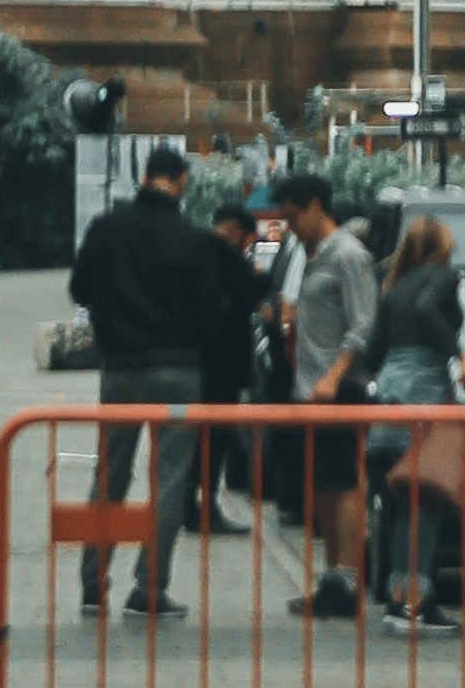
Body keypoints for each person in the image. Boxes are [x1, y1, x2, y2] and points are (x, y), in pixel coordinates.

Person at [67, 142, 237, 620]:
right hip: (179, 371)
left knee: (110, 472)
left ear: (144, 176)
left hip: (120, 370)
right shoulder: (196, 241)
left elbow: (79, 288)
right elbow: (212, 314)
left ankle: (91, 585)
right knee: (170, 479)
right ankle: (149, 589)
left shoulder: (107, 229)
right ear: (180, 181)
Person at [349, 212, 465, 631]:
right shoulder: (441, 277)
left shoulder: (393, 288)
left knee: (404, 505)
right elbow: (428, 311)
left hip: (389, 403)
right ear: (441, 248)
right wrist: (460, 356)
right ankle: (417, 603)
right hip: (425, 398)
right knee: (429, 502)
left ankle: (399, 599)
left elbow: (371, 355)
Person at [273, 172, 377, 620]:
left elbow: (364, 323)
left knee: (343, 484)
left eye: (294, 216)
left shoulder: (349, 255)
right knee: (323, 485)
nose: (290, 225)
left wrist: (334, 376)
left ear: (316, 205)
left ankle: (349, 576)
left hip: (336, 390)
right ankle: (334, 575)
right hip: (309, 389)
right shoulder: (314, 254)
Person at [192, 199, 270, 530]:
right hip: (221, 366)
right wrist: (261, 280)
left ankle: (192, 503)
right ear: (236, 231)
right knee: (215, 439)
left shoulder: (195, 252)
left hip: (201, 362)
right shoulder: (222, 255)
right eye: (246, 241)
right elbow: (242, 292)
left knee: (201, 439)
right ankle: (204, 506)